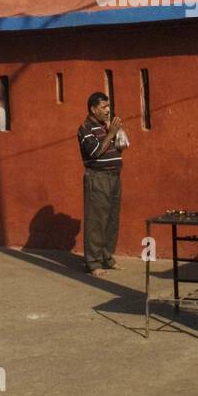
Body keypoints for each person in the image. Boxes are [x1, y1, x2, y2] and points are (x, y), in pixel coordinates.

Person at [77, 92, 124, 276]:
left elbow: (115, 148)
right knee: (96, 220)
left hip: (114, 176)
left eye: (108, 107)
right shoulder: (85, 128)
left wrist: (118, 136)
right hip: (98, 178)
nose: (107, 110)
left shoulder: (106, 126)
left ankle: (107, 257)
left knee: (112, 220)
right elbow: (95, 152)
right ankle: (93, 263)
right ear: (93, 109)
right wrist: (111, 133)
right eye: (104, 107)